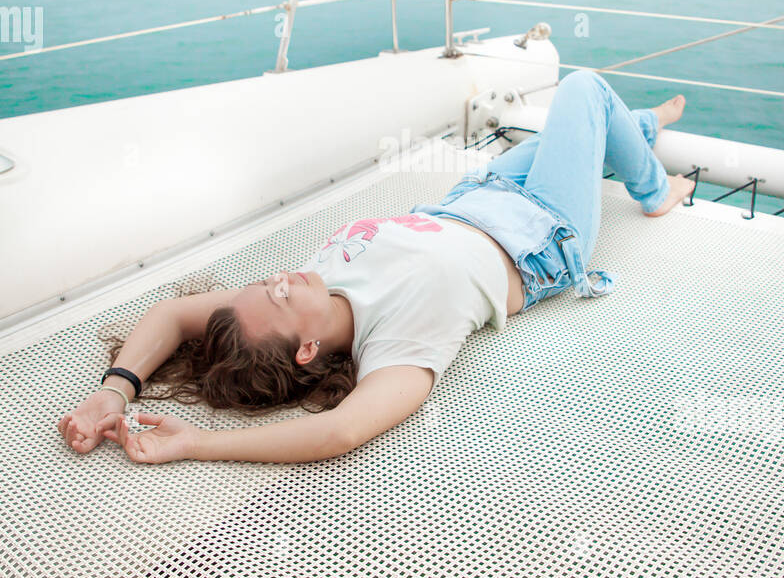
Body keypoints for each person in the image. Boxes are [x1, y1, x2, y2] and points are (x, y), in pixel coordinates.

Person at [57, 72, 691, 467]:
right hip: (545, 231)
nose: (278, 280)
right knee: (581, 91)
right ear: (306, 348)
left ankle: (636, 126)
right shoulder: (398, 342)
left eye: (265, 285)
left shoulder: (311, 287)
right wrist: (194, 443)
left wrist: (113, 392)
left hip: (475, 199)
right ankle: (656, 187)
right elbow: (338, 433)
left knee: (564, 137)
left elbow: (170, 314)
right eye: (278, 299)